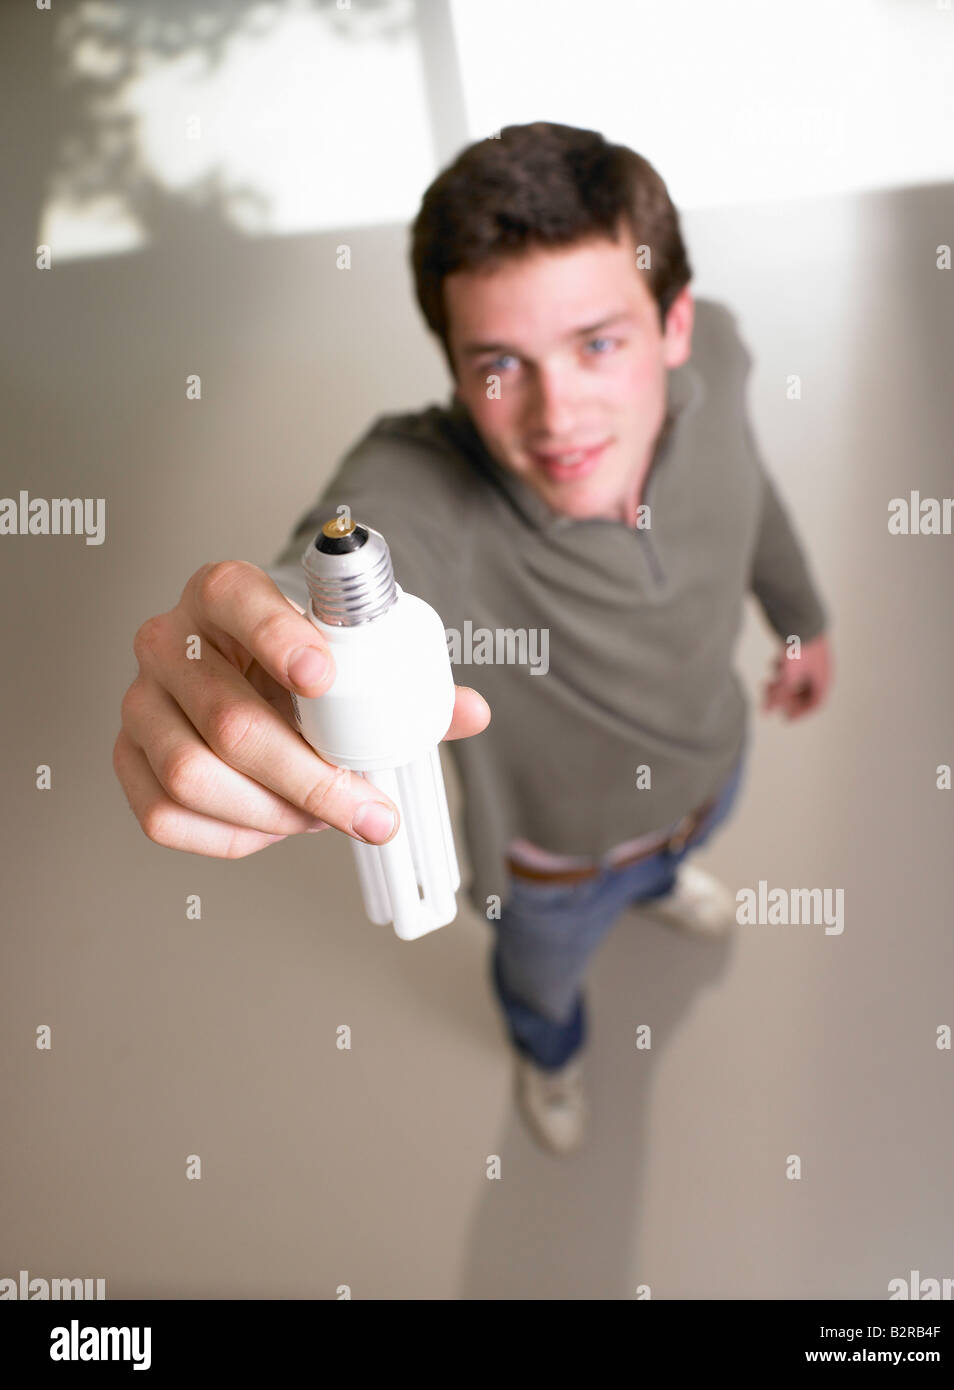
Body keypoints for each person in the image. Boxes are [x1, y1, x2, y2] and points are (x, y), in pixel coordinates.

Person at [113, 122, 833, 1157]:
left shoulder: (718, 349)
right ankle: (550, 1060)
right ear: (455, 368)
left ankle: (668, 879)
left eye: (597, 342)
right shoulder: (422, 486)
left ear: (674, 324)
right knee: (540, 991)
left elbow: (751, 491)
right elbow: (310, 585)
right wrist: (243, 670)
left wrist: (801, 615)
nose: (556, 412)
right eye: (499, 364)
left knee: (682, 853)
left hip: (708, 776)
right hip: (552, 873)